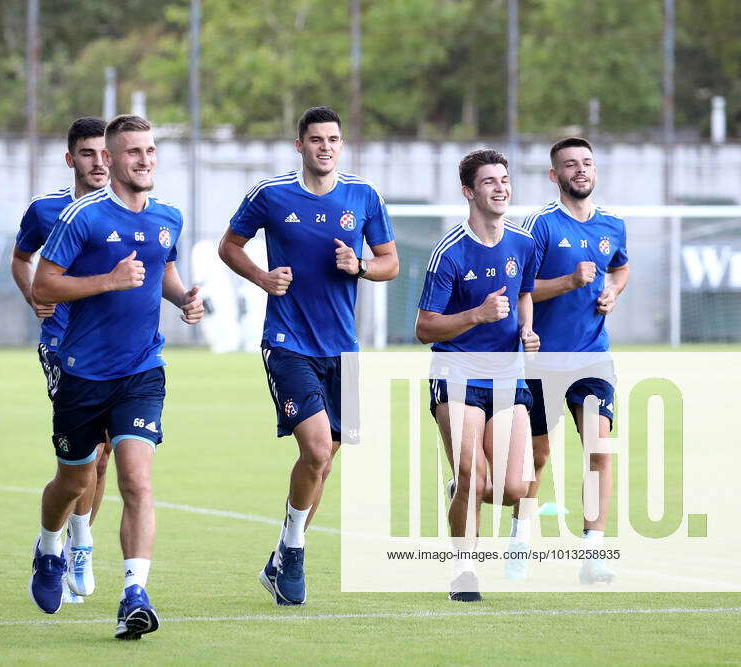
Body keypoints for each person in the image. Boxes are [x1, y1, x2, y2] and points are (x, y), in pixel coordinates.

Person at [29, 114, 204, 639]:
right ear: (111, 156)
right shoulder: (82, 217)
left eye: (150, 151)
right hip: (83, 374)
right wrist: (107, 280)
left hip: (142, 370)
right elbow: (43, 286)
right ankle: (48, 545)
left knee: (135, 479)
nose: (144, 160)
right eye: (133, 152)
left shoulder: (168, 215)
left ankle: (134, 594)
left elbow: (163, 269)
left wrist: (184, 298)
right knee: (74, 480)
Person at [219, 106, 399, 606]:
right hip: (287, 341)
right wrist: (262, 278)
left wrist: (360, 265)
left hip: (343, 348)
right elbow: (229, 246)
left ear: (341, 145)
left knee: (322, 463)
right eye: (316, 139)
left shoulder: (364, 196)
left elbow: (390, 264)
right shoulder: (271, 194)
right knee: (317, 450)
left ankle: (280, 557)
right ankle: (295, 551)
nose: (325, 146)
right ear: (299, 145)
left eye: (334, 139)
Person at [414, 149, 539, 602]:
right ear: (469, 192)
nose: (501, 187)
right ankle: (464, 571)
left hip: (508, 376)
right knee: (472, 476)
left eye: (504, 179)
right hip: (456, 372)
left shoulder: (523, 244)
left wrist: (526, 329)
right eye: (490, 181)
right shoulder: (449, 252)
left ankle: (464, 491)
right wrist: (477, 315)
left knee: (512, 487)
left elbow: (524, 294)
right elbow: (424, 328)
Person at [512, 137, 630, 584]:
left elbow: (620, 267)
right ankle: (520, 536)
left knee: (599, 450)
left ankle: (593, 555)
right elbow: (521, 287)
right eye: (570, 165)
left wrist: (612, 291)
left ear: (594, 170)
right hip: (542, 359)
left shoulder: (613, 225)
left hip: (592, 357)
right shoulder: (539, 225)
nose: (580, 170)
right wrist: (566, 281)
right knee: (537, 456)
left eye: (586, 163)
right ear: (553, 175)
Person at [11, 117, 110, 600]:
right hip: (61, 345)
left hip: (117, 349)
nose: (98, 162)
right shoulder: (46, 210)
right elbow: (20, 259)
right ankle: (71, 541)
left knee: (108, 452)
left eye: (104, 152)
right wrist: (34, 297)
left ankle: (76, 543)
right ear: (71, 159)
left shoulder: (131, 210)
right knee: (84, 455)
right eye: (88, 153)